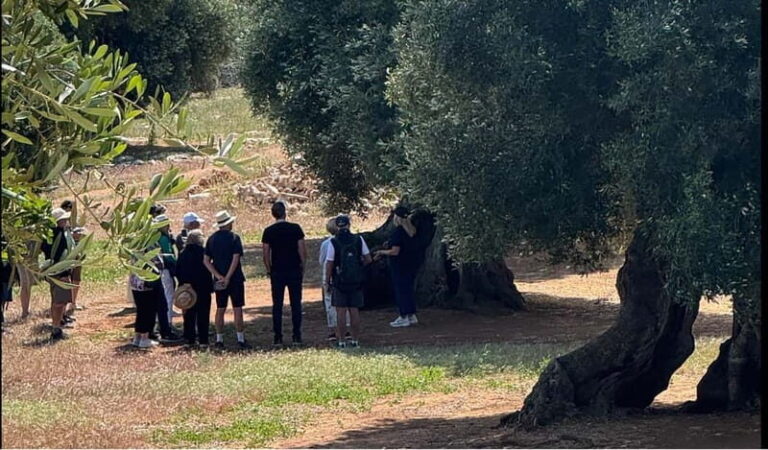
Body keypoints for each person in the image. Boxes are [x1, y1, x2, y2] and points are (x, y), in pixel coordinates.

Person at [261, 201, 306, 346]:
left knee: (277, 305)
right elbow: (302, 251)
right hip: (294, 269)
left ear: (273, 214)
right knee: (296, 304)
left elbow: (266, 254)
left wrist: (269, 269)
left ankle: (278, 337)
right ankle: (297, 335)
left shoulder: (269, 231)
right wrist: (302, 266)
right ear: (285, 213)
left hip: (277, 271)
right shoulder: (295, 228)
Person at [324, 215, 372, 347]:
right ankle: (355, 340)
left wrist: (327, 281)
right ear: (349, 225)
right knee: (354, 310)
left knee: (341, 311)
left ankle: (341, 341)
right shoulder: (358, 239)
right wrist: (358, 266)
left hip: (340, 281)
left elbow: (329, 263)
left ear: (337, 226)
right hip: (356, 280)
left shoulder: (333, 242)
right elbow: (368, 259)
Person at [204, 210, 250, 349]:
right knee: (237, 308)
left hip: (219, 280)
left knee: (220, 308)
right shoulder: (235, 238)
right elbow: (235, 259)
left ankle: (219, 339)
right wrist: (229, 277)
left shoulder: (211, 239)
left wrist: (218, 276)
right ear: (228, 224)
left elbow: (206, 261)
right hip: (235, 278)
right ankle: (240, 339)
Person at [374, 206, 422, 328]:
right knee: (408, 289)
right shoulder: (412, 231)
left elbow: (395, 251)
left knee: (401, 290)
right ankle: (411, 315)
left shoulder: (398, 232)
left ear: (397, 218)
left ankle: (404, 316)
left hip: (399, 265)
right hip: (410, 264)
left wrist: (381, 252)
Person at [41, 207, 76, 340]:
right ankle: (56, 329)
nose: (66, 221)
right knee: (59, 302)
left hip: (54, 271)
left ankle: (58, 324)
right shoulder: (59, 235)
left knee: (57, 300)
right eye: (64, 219)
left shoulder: (49, 235)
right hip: (60, 272)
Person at [176, 230, 213, 348]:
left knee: (189, 314)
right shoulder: (204, 252)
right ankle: (203, 340)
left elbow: (177, 271)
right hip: (203, 288)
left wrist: (183, 283)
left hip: (187, 288)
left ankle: (190, 338)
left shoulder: (183, 253)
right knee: (203, 314)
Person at [319, 217, 350, 341]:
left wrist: (326, 280)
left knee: (330, 303)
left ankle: (333, 330)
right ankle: (346, 329)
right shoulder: (350, 241)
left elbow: (322, 261)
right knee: (347, 304)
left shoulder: (326, 243)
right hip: (346, 275)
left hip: (330, 275)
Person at [129, 252, 165, 349]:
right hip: (146, 285)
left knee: (140, 311)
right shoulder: (150, 252)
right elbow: (159, 265)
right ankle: (144, 338)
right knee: (148, 312)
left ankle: (137, 337)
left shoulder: (134, 252)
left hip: (135, 284)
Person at [154, 214, 179, 324]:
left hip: (158, 268)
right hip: (165, 269)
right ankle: (167, 322)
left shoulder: (157, 236)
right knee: (169, 295)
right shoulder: (163, 238)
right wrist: (177, 263)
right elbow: (168, 254)